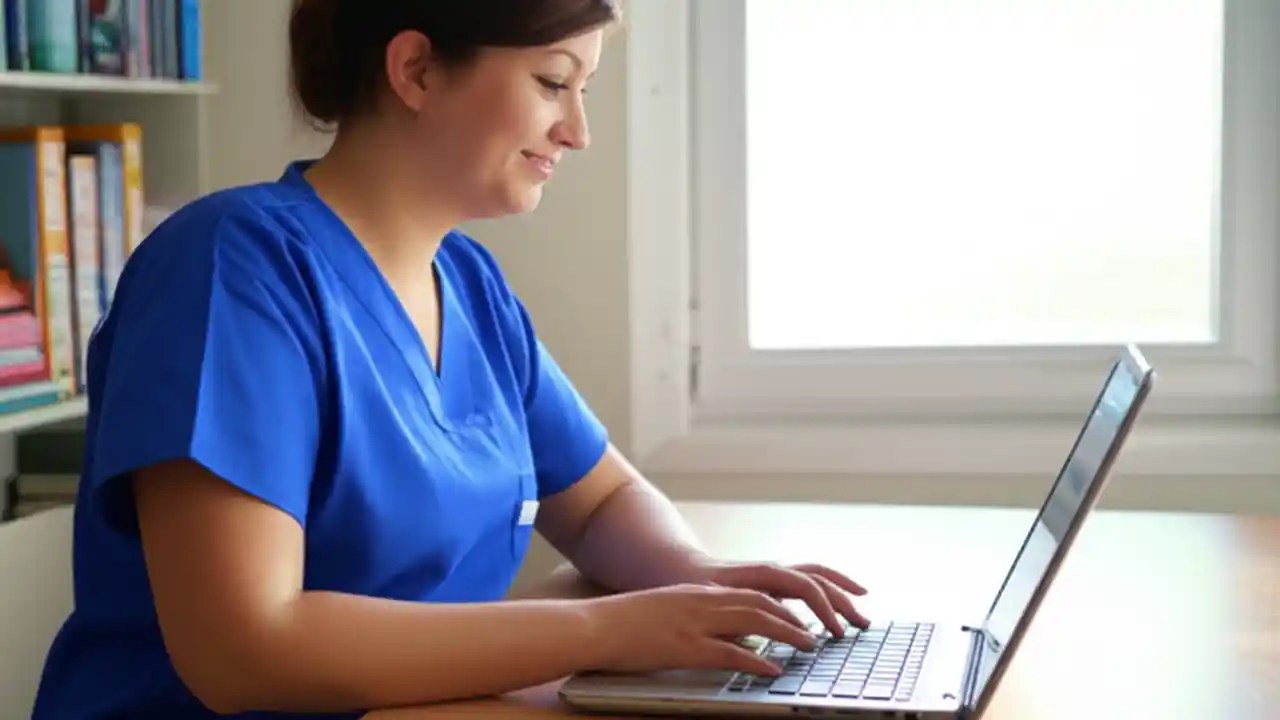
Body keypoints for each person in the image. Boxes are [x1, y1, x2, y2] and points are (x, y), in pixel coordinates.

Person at [31, 2, 870, 718]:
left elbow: (600, 496)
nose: (578, 131)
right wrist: (610, 628)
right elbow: (245, 648)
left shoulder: (468, 283)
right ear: (418, 70)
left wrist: (702, 581)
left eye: (585, 90)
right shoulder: (231, 268)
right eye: (553, 83)